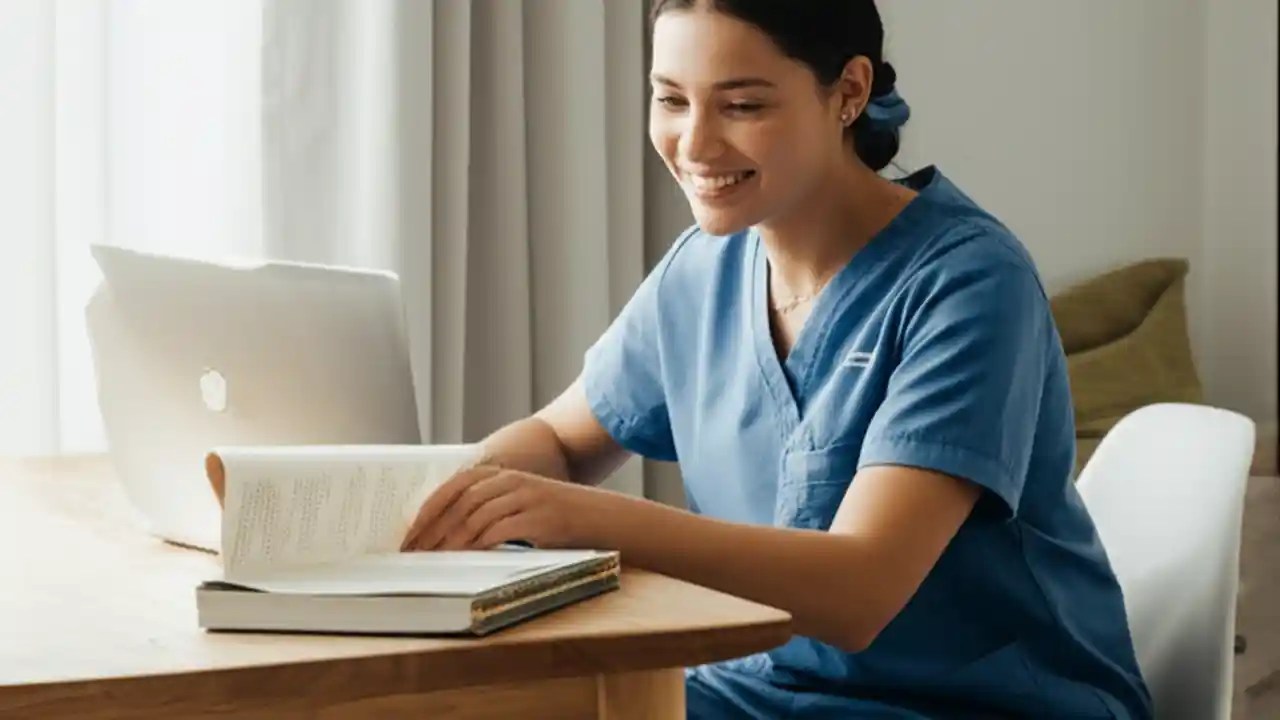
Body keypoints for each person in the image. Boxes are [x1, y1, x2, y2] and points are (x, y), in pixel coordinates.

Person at [401, 1, 1153, 717]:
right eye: (670, 100)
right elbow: (562, 442)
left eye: (741, 106)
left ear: (849, 91)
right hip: (765, 691)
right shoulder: (701, 273)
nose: (694, 144)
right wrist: (453, 498)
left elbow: (861, 591)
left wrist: (583, 520)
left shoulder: (968, 283)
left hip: (982, 705)